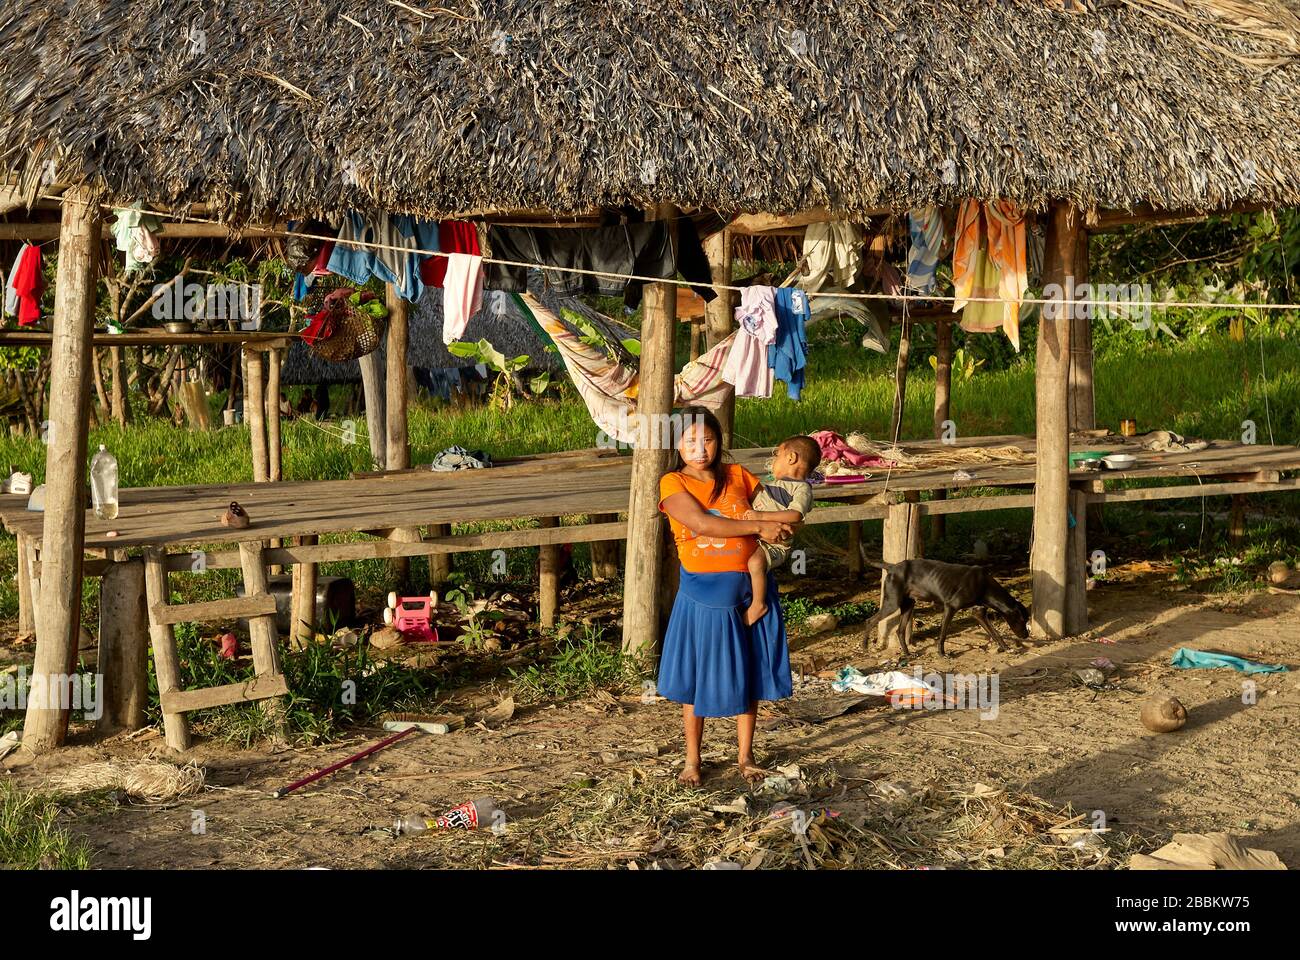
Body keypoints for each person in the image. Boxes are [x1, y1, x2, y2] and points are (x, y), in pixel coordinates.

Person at [657, 406, 796, 786]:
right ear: (676, 444)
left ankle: (746, 757)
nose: (700, 449)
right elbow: (701, 523)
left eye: (708, 440)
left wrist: (783, 521)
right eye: (690, 441)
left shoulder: (738, 475)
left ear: (719, 441)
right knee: (695, 680)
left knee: (749, 674)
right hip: (703, 594)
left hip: (750, 590)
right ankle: (692, 761)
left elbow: (778, 506)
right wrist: (758, 525)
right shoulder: (673, 483)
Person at [742, 435, 821, 625]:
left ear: (791, 458)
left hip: (774, 545)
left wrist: (760, 516)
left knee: (755, 563)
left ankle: (758, 605)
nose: (773, 462)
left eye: (777, 455)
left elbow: (795, 515)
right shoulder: (777, 484)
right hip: (759, 535)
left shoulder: (802, 489)